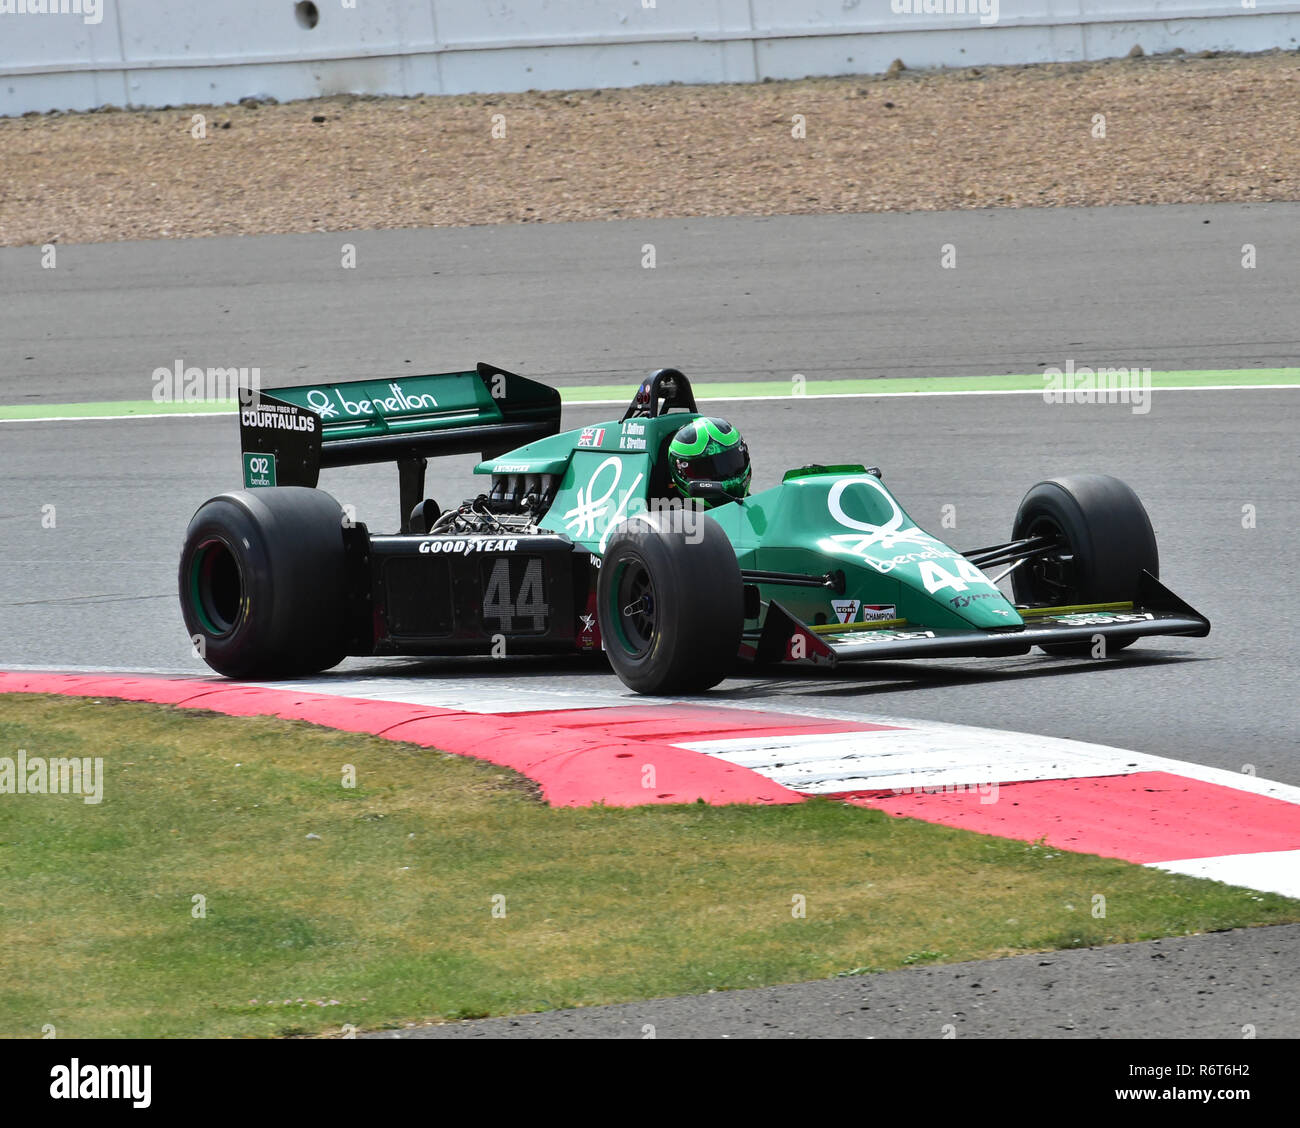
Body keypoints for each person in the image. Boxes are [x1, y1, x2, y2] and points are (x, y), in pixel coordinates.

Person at [667, 417, 751, 507]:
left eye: (732, 461)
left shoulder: (755, 504)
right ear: (679, 469)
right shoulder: (677, 519)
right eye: (703, 469)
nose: (729, 480)